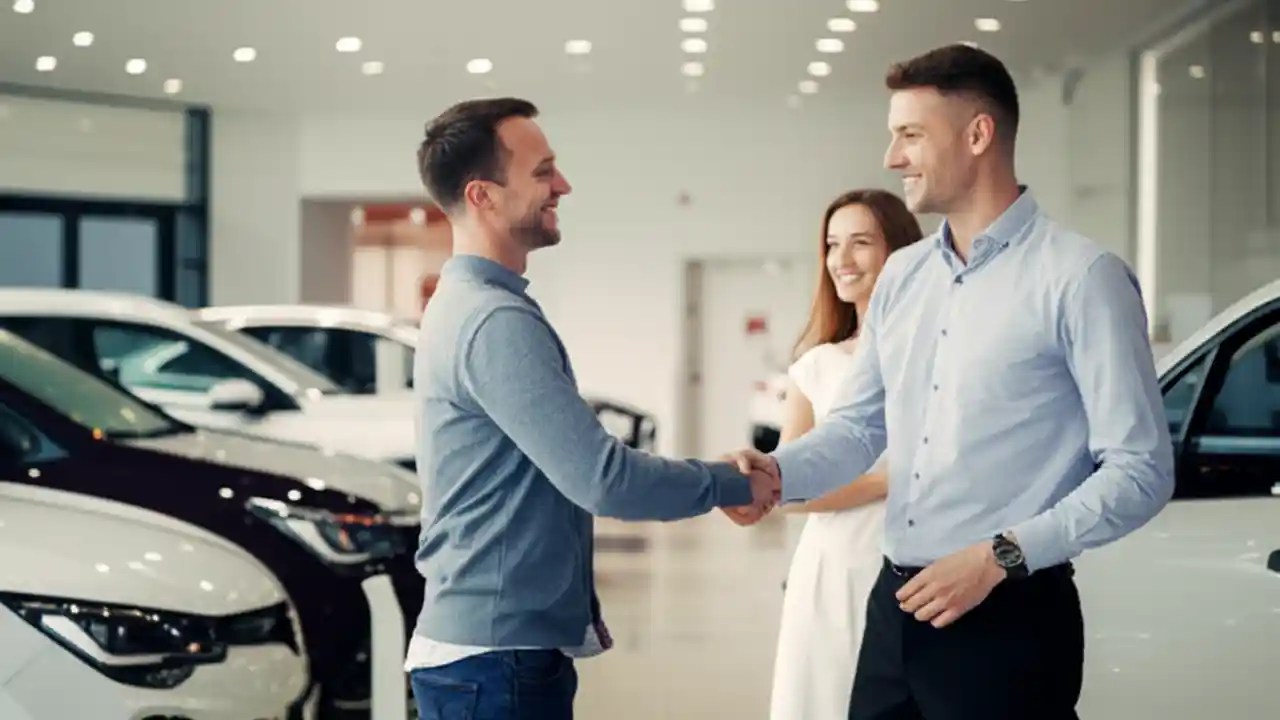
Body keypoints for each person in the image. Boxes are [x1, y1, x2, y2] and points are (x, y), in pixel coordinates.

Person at [728, 44, 1175, 719]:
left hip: (1008, 612)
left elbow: (1141, 470)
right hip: (895, 607)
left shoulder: (1081, 279)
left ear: (977, 135)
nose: (891, 157)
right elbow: (856, 429)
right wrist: (775, 474)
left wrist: (1000, 557)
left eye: (910, 135)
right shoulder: (904, 277)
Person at [404, 97, 778, 720]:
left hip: (491, 655)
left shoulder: (471, 304)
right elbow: (604, 479)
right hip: (496, 662)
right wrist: (731, 482)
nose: (563, 185)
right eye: (542, 171)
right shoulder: (492, 319)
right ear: (483, 196)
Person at [768, 190, 923, 720]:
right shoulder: (818, 365)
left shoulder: (937, 352)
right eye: (833, 245)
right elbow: (785, 491)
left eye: (861, 243)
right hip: (835, 572)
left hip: (925, 568)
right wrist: (889, 481)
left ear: (899, 251)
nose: (842, 260)